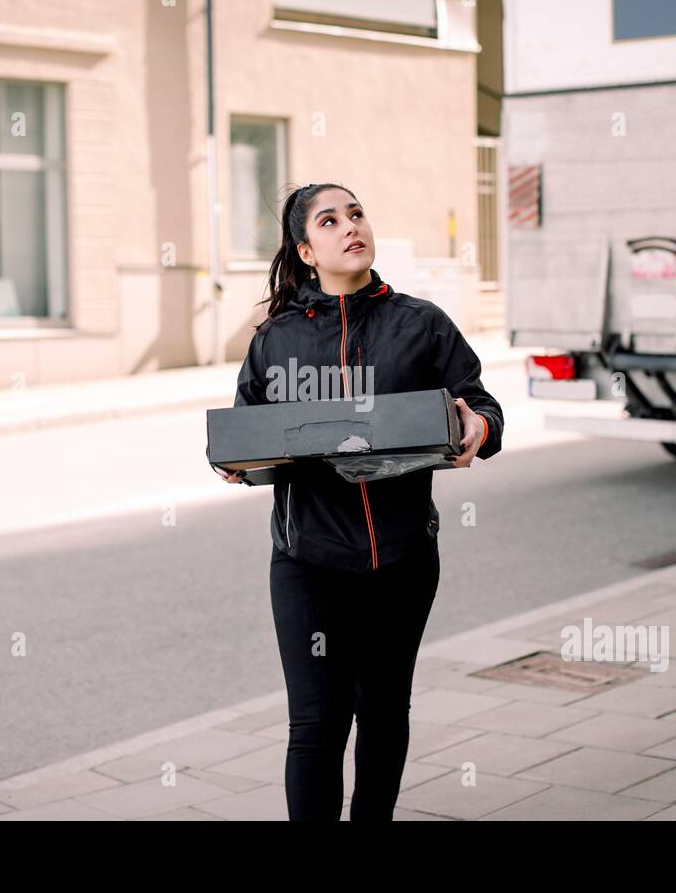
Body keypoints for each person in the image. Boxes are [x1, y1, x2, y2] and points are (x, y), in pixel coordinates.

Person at [207, 182, 504, 820]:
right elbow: (247, 433)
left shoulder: (419, 322)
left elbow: (482, 406)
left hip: (400, 560)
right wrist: (238, 463)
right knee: (315, 726)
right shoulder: (276, 340)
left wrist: (476, 427)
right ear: (305, 250)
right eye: (330, 220)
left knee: (382, 713)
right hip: (308, 560)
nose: (351, 227)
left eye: (358, 213)